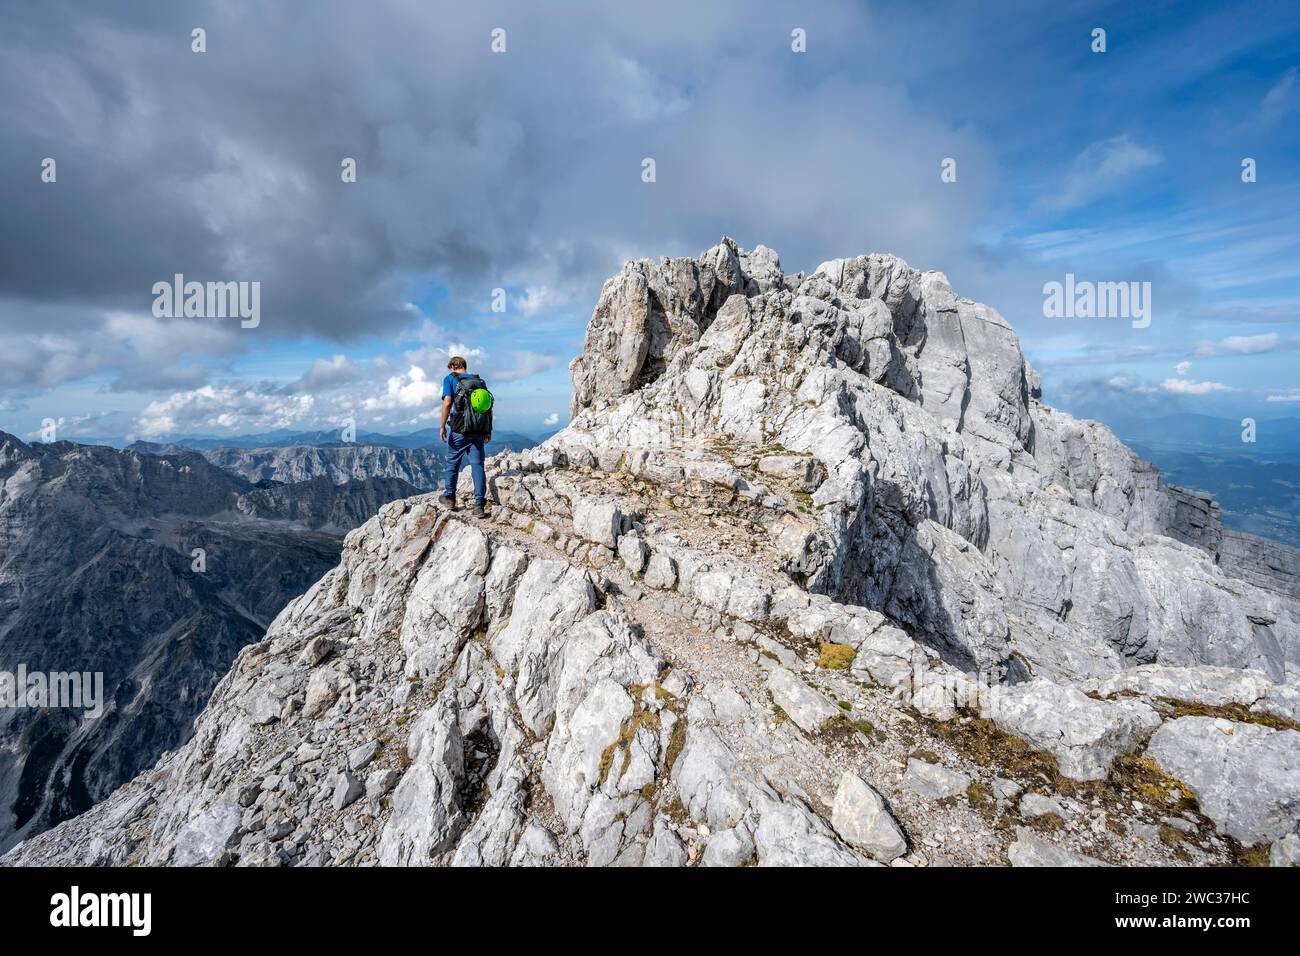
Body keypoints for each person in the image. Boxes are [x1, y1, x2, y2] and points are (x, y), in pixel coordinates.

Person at [438, 355, 492, 516]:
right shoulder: (479, 381)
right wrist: (488, 429)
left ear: (453, 367)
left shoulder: (450, 379)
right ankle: (479, 505)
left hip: (459, 429)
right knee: (477, 465)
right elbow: (487, 406)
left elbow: (447, 402)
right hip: (478, 430)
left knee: (453, 462)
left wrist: (442, 425)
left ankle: (449, 498)